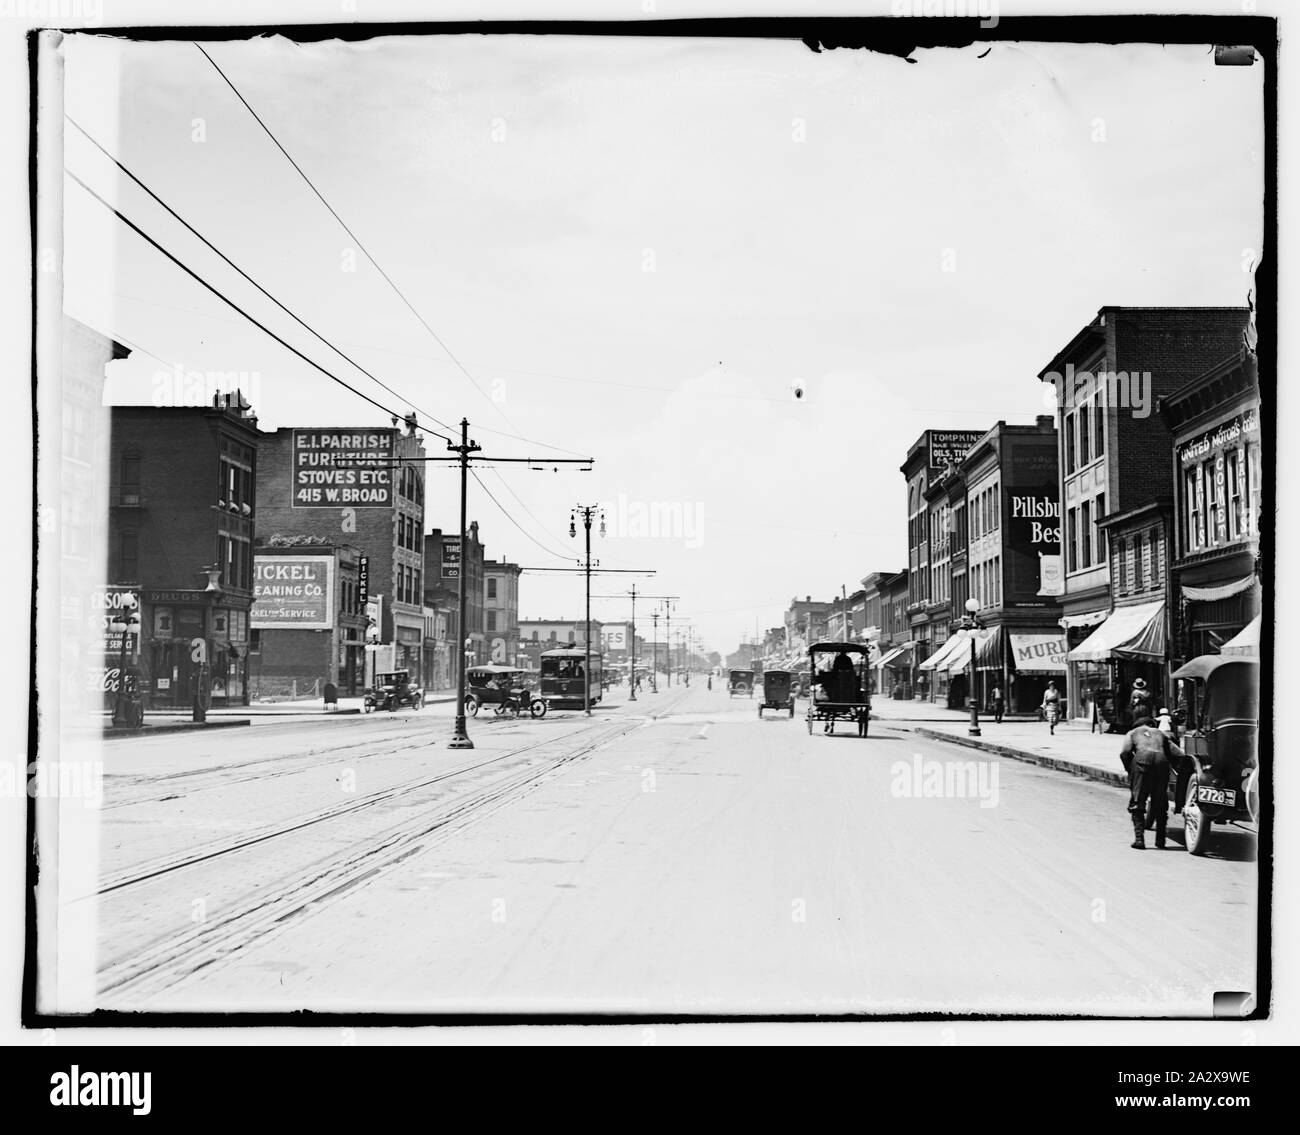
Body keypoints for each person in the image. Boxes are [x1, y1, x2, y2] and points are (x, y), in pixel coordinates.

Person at [1120, 714, 1184, 849]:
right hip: (1161, 762)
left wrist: (1130, 770)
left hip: (1141, 761)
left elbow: (1125, 752)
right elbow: (1178, 754)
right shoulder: (1160, 733)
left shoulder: (1132, 733)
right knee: (1160, 801)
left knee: (1138, 801)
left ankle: (1139, 840)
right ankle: (1160, 841)